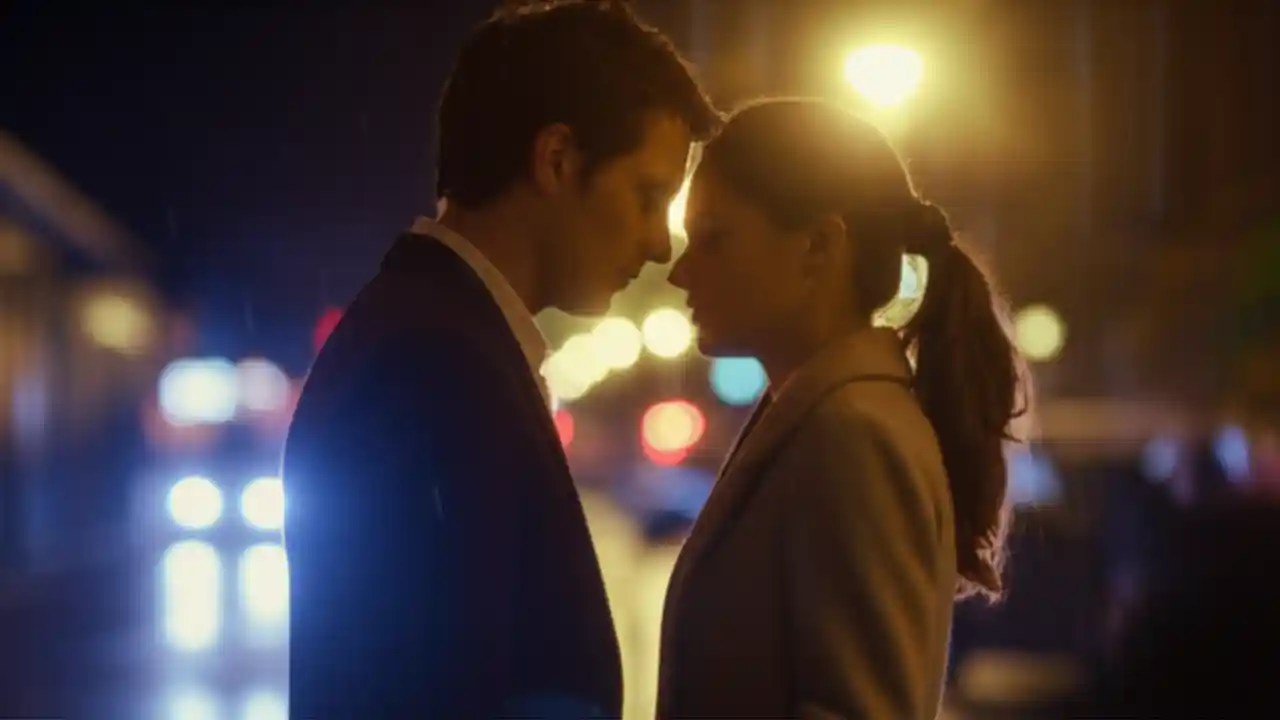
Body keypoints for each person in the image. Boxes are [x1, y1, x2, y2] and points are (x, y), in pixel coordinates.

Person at [282, 2, 717, 717]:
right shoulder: (430, 363)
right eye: (648, 196)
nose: (659, 245)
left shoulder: (440, 339)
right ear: (556, 160)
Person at [658, 99, 1026, 719]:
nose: (681, 272)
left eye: (713, 238)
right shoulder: (822, 419)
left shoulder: (853, 435)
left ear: (820, 247)